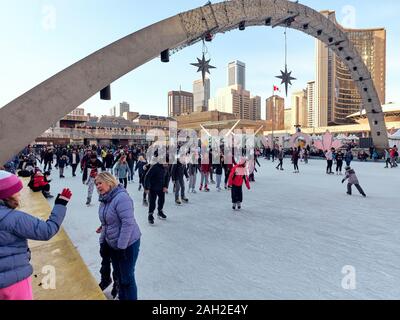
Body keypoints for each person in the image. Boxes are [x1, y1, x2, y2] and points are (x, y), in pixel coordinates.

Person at [0, 170, 71, 300]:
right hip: (14, 281)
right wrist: (60, 205)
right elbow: (46, 231)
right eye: (15, 191)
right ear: (6, 195)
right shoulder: (15, 218)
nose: (19, 194)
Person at [95, 172, 141, 300]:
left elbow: (128, 223)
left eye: (100, 183)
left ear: (109, 182)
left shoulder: (121, 198)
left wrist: (121, 247)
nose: (98, 186)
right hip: (113, 245)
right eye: (96, 184)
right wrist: (103, 242)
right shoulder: (105, 199)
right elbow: (106, 223)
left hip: (128, 244)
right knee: (119, 277)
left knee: (127, 278)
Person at [144, 158, 170, 225]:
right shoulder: (155, 167)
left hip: (161, 188)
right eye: (165, 163)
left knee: (162, 200)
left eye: (167, 163)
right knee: (152, 202)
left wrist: (166, 186)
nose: (166, 164)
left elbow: (167, 177)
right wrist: (147, 188)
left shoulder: (166, 167)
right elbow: (147, 176)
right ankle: (150, 215)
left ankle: (160, 212)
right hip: (153, 188)